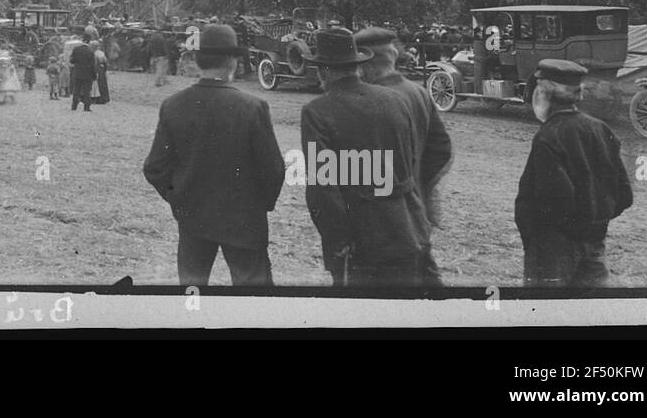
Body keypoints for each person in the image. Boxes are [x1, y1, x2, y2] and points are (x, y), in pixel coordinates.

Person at [143, 24, 285, 287]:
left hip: (192, 217)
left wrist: (178, 197)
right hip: (244, 218)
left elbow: (155, 168)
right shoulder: (253, 107)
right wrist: (258, 204)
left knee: (192, 292)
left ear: (196, 60)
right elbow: (273, 170)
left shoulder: (173, 105)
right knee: (254, 294)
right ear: (233, 61)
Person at [300, 27, 432, 287]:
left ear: (323, 71)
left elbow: (322, 190)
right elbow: (411, 161)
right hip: (407, 228)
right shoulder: (396, 99)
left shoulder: (317, 111)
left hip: (360, 241)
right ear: (356, 66)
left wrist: (338, 241)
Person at [515, 59, 633, 287]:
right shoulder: (600, 128)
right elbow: (624, 194)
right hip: (595, 243)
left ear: (544, 94)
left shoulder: (548, 137)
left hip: (553, 249)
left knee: (545, 314)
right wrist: (595, 222)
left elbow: (555, 200)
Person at [356, 26, 454, 287]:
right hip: (418, 208)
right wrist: (420, 184)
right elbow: (442, 149)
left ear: (364, 63)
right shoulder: (418, 91)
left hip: (390, 219)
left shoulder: (374, 100)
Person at [69, 37, 97, 112]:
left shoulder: (76, 49)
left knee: (76, 89)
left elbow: (72, 61)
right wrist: (94, 75)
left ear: (82, 40)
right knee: (87, 90)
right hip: (87, 74)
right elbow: (92, 65)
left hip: (77, 72)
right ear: (89, 42)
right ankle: (86, 107)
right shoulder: (90, 51)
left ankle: (74, 106)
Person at [90, 39, 110, 105]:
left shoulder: (97, 53)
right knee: (101, 84)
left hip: (98, 69)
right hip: (101, 69)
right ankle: (103, 98)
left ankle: (99, 98)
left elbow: (100, 61)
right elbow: (105, 62)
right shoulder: (100, 52)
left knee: (98, 84)